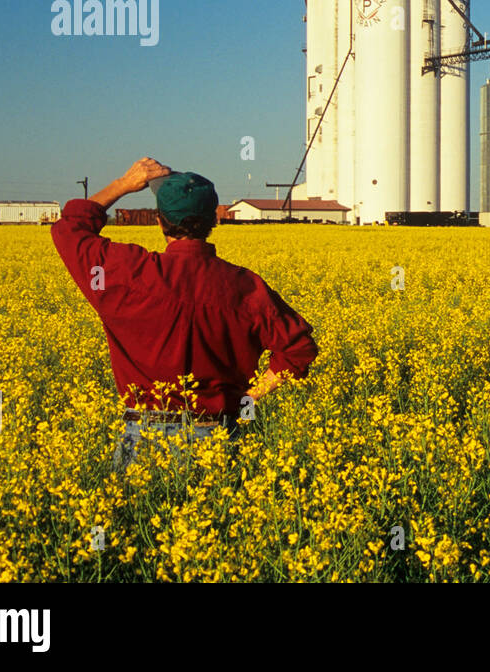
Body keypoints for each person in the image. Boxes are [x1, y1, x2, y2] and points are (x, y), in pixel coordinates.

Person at [51, 157, 319, 470]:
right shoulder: (246, 287)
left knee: (139, 518)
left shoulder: (125, 273)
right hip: (216, 439)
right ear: (214, 220)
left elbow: (70, 229)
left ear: (159, 221)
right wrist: (248, 398)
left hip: (142, 440)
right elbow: (298, 349)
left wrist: (123, 184)